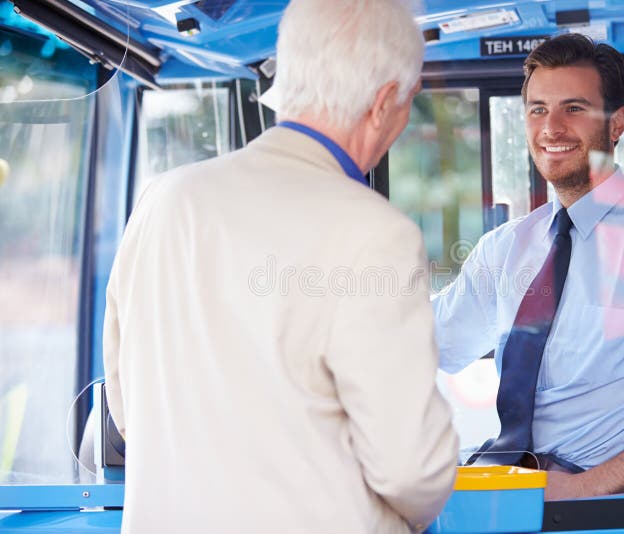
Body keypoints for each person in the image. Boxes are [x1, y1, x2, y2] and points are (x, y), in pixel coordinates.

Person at [103, 1, 458, 532]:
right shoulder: (375, 234)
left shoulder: (162, 201)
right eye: (409, 101)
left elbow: (126, 409)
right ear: (384, 103)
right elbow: (413, 472)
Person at [433, 33, 624, 500]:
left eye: (574, 109)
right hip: (501, 483)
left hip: (595, 499)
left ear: (617, 123)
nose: (551, 128)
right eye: (538, 109)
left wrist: (579, 491)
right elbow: (428, 340)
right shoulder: (506, 248)